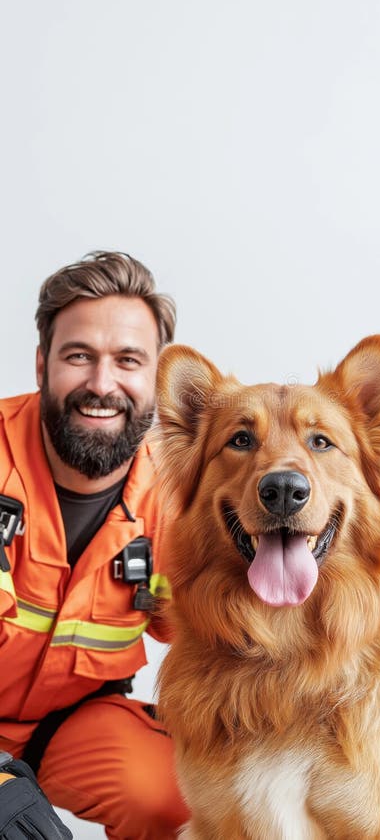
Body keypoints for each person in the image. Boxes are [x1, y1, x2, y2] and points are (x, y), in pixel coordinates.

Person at [0, 251, 188, 839]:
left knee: (180, 797)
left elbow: (222, 634)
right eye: (79, 356)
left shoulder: (181, 497)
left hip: (70, 723)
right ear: (42, 365)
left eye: (127, 360)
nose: (102, 385)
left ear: (157, 377)